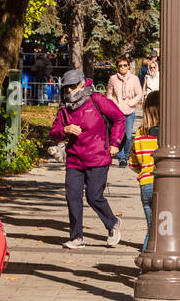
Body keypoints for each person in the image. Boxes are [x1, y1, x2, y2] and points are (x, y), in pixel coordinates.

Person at [50, 69, 126, 248]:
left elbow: (119, 118)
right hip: (75, 159)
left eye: (72, 87)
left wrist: (115, 142)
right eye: (66, 88)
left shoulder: (97, 100)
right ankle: (77, 237)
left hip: (98, 156)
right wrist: (65, 130)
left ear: (82, 84)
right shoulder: (65, 107)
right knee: (72, 197)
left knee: (94, 197)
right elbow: (54, 132)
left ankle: (113, 223)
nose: (69, 91)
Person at [128, 92, 160, 251]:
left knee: (151, 229)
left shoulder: (140, 133)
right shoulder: (168, 133)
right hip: (162, 186)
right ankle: (147, 268)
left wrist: (144, 170)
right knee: (162, 231)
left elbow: (132, 163)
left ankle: (144, 267)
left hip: (145, 185)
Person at [108, 53, 144, 167]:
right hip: (117, 111)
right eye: (120, 66)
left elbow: (139, 94)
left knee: (128, 136)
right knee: (120, 135)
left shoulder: (134, 79)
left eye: (124, 65)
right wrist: (115, 104)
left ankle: (127, 154)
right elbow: (109, 94)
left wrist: (130, 103)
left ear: (128, 66)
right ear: (117, 67)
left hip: (130, 111)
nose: (122, 67)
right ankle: (121, 158)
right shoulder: (113, 79)